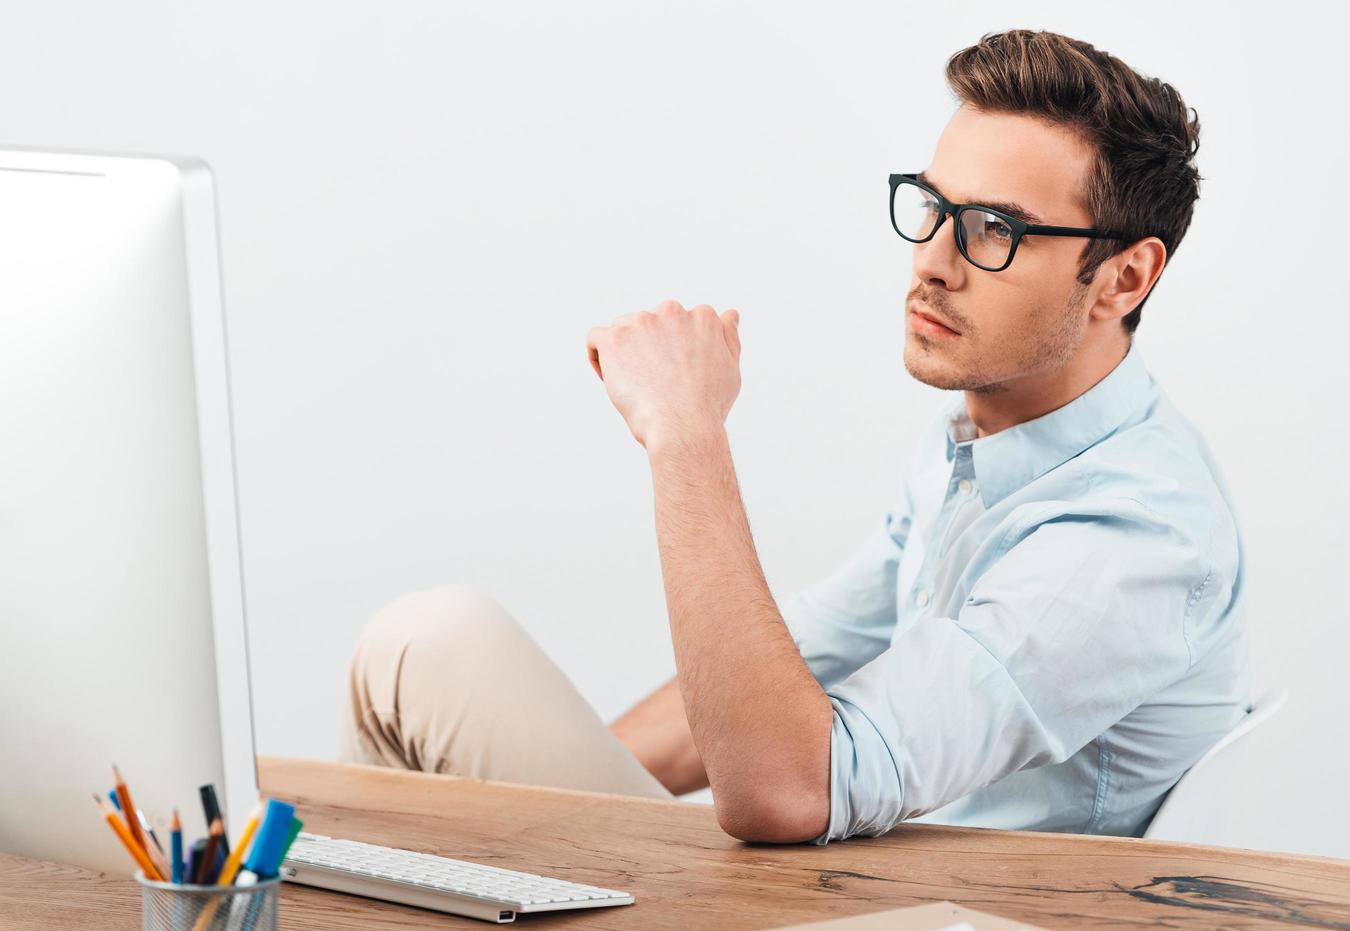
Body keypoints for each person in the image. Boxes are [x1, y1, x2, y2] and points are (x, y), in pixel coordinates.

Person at [339, 29, 1250, 845]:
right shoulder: (978, 443)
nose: (931, 261)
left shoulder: (1132, 537)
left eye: (992, 230)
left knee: (428, 645)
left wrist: (685, 433)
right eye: (932, 207)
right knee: (427, 697)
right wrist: (568, 801)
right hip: (842, 892)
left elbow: (792, 790)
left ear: (1123, 279)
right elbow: (802, 662)